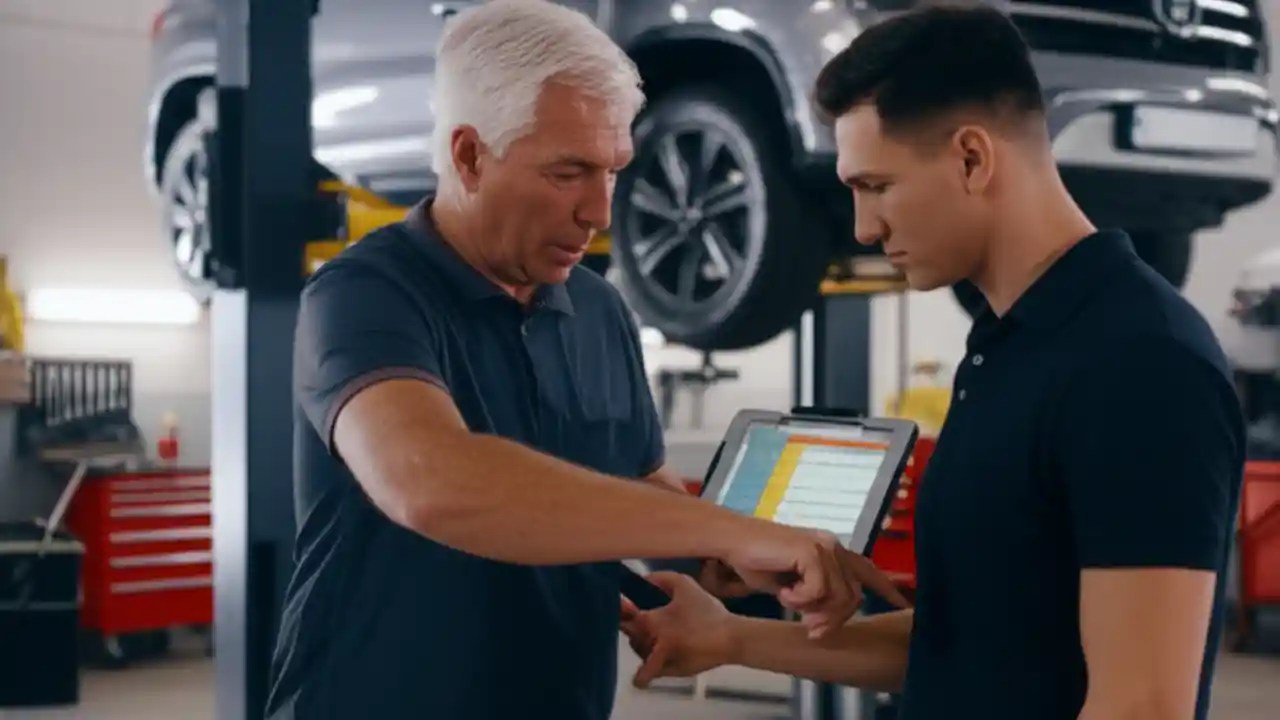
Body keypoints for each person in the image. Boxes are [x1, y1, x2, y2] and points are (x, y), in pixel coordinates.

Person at [263, 2, 903, 719]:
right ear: (470, 155)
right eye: (568, 172)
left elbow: (636, 488)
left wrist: (716, 559)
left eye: (613, 171)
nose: (599, 211)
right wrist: (730, 528)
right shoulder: (364, 295)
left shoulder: (597, 308)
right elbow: (428, 478)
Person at [619, 6, 1246, 720]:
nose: (862, 227)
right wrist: (732, 637)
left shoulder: (1139, 365)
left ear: (973, 158)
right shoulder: (1009, 349)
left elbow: (1141, 706)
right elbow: (970, 644)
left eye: (876, 186)